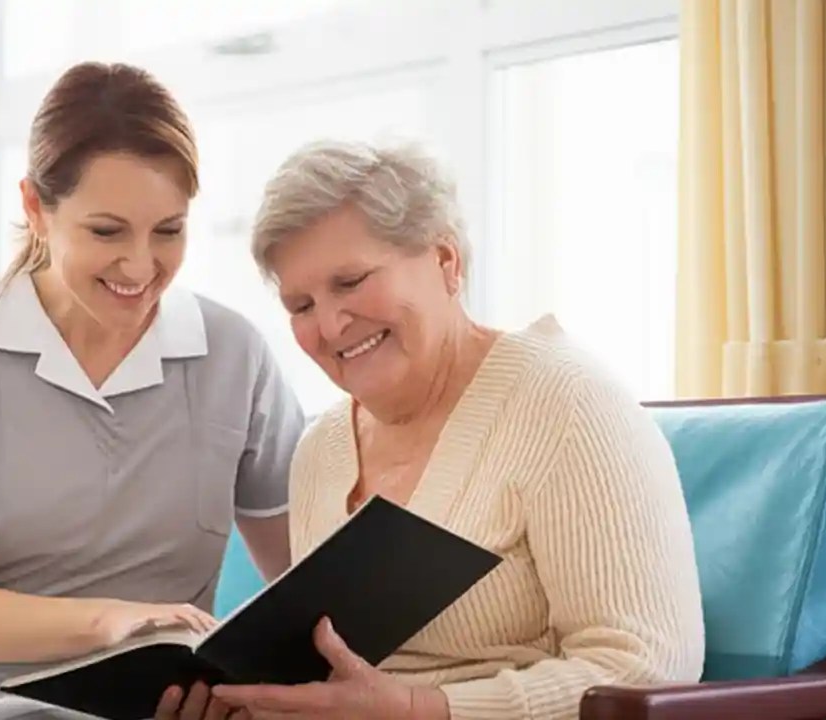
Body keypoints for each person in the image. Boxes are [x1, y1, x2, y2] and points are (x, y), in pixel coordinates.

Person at [0, 61, 304, 720]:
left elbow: (303, 578)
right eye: (107, 231)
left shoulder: (233, 354)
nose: (141, 266)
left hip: (160, 706)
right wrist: (108, 622)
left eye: (169, 231)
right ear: (36, 208)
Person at [207, 140, 706, 720]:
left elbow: (648, 666)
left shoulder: (566, 402)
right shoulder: (320, 449)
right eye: (300, 305)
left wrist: (425, 709)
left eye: (350, 282)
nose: (330, 324)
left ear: (446, 261)